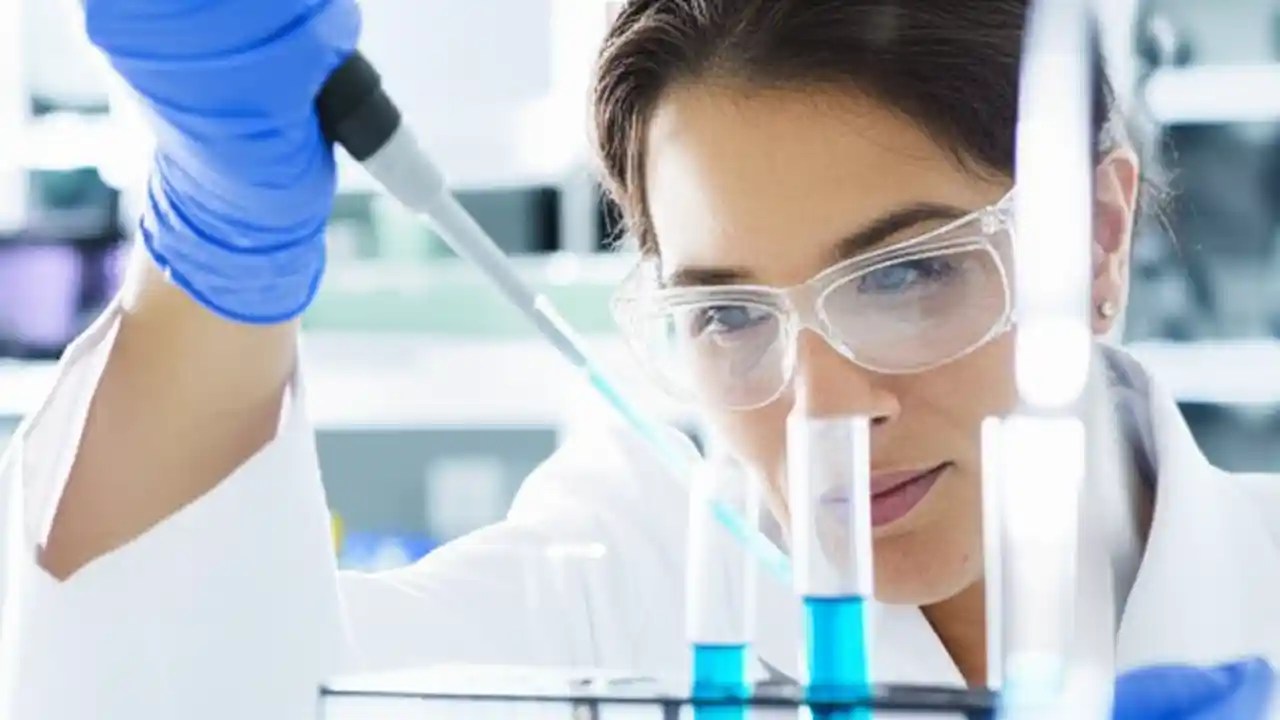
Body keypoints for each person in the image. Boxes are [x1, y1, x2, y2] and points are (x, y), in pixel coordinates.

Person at [0, 0, 1276, 718]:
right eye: (729, 318)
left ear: (1092, 237)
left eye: (904, 276)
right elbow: (175, 691)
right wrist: (217, 253)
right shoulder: (629, 578)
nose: (821, 413)